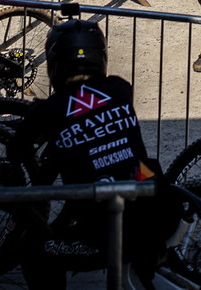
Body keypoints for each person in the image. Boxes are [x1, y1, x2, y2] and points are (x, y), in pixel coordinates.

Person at [15, 20, 181, 284]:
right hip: (161, 213)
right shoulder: (120, 88)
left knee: (34, 250)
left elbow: (17, 148)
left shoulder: (50, 111)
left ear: (54, 63)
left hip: (111, 236)